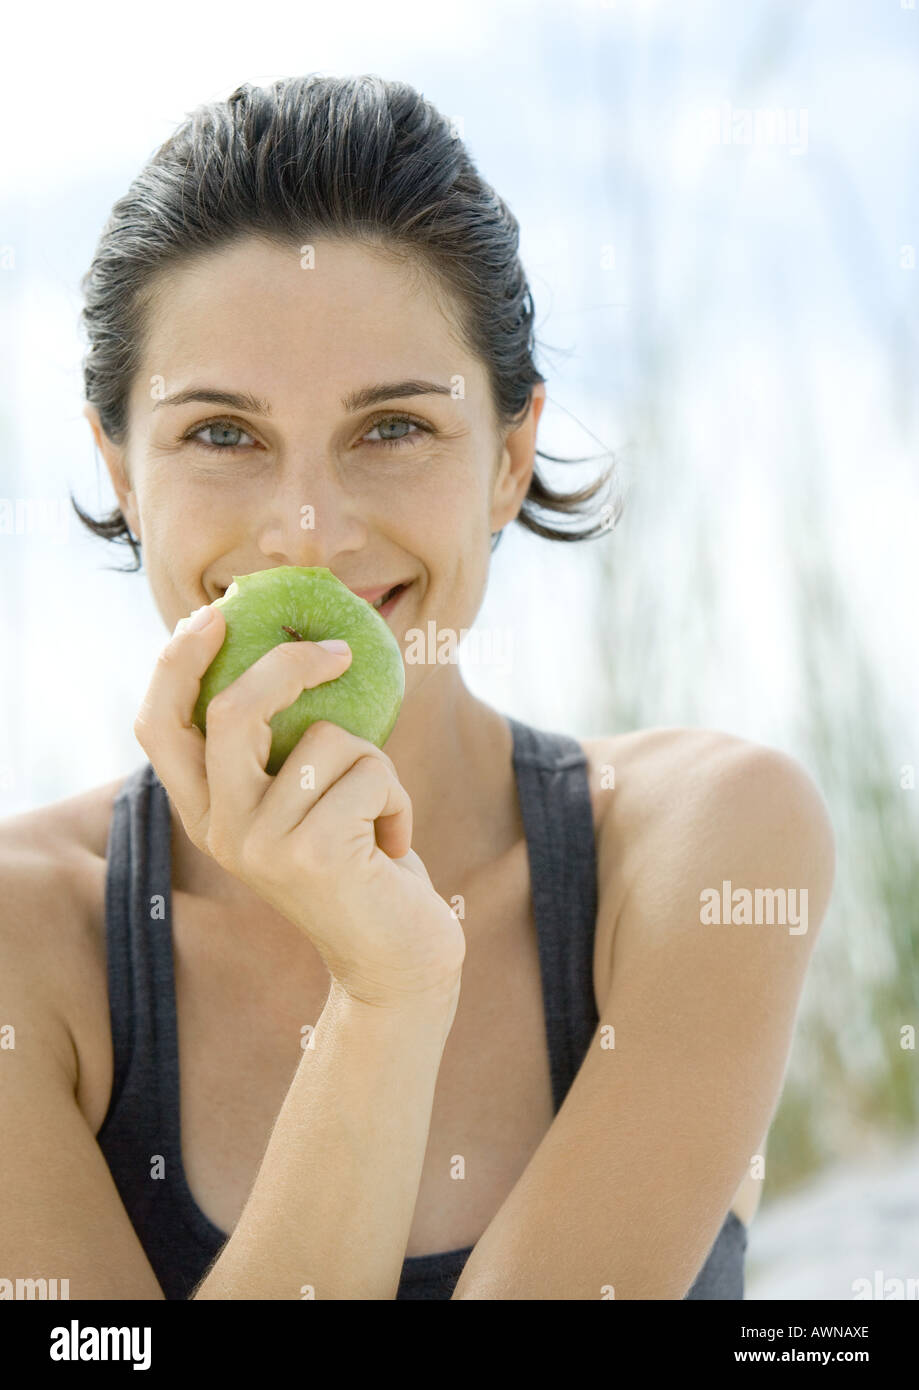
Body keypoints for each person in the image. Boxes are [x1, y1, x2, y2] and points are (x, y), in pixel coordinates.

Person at [0, 74, 835, 1301]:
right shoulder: (27, 944)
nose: (308, 533)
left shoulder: (703, 844)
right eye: (221, 434)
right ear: (121, 473)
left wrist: (388, 974)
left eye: (391, 426)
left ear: (504, 464)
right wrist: (385, 1000)